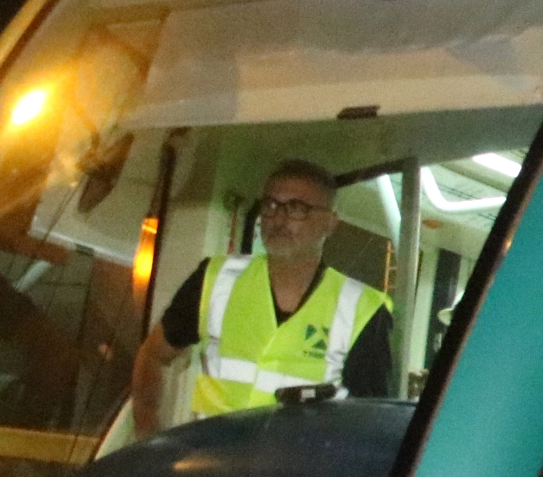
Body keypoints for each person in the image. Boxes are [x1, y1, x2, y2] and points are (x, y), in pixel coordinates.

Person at [129, 161, 393, 434]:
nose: (278, 220)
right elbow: (154, 356)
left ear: (330, 222)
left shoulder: (362, 310)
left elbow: (372, 422)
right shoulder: (216, 279)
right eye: (270, 206)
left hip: (299, 461)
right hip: (212, 457)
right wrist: (147, 432)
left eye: (296, 209)